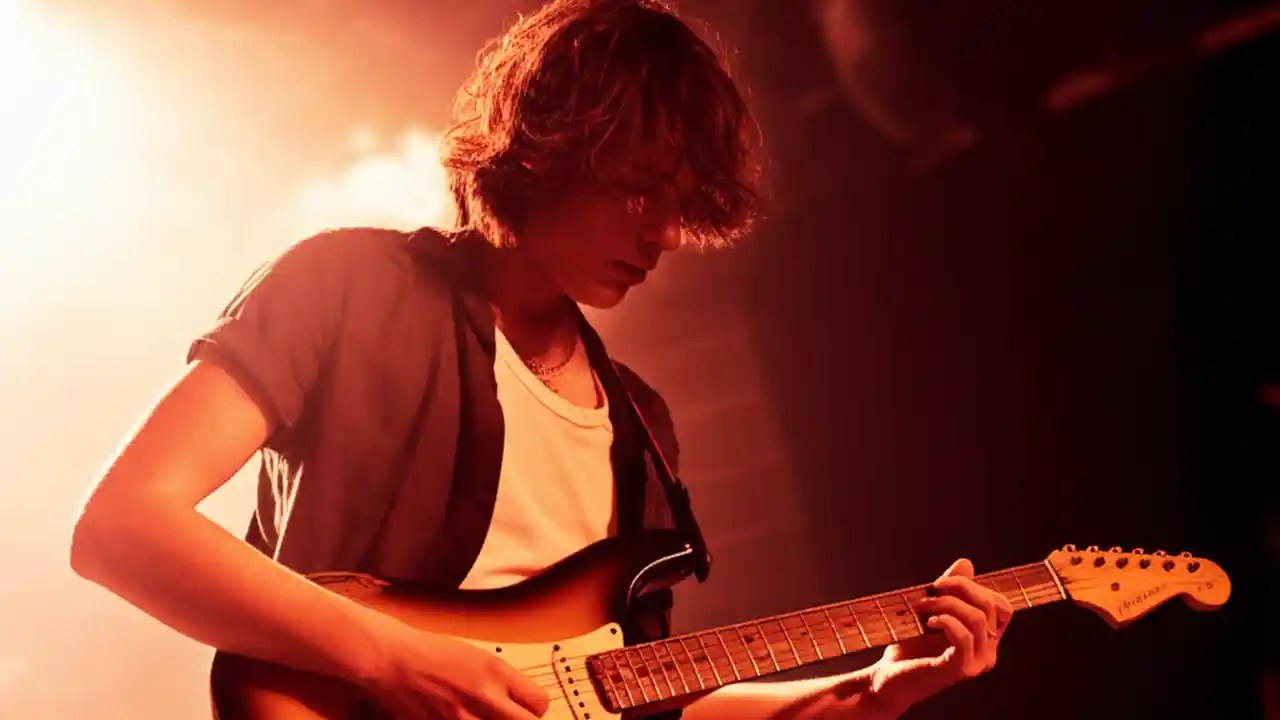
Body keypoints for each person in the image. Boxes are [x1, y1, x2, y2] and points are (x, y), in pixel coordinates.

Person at [69, 1, 1014, 718]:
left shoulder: (642, 426)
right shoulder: (349, 283)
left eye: (683, 205)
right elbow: (121, 527)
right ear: (546, 148)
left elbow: (631, 699)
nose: (668, 235)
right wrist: (396, 660)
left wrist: (871, 693)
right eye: (643, 189)